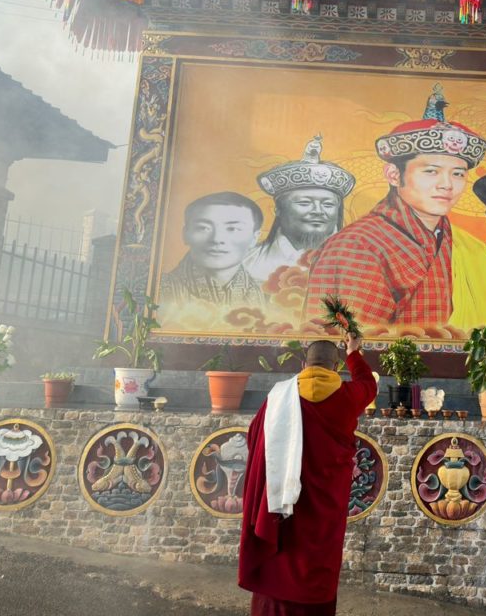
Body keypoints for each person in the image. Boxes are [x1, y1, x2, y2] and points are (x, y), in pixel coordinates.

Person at [304, 85, 486, 329]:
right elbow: (347, 340)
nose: (447, 185)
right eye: (431, 171)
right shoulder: (356, 245)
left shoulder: (462, 245)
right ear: (393, 174)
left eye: (458, 174)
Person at [239, 332, 377, 616]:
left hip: (281, 506)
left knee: (279, 561)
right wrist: (353, 352)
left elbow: (255, 438)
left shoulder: (278, 398)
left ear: (304, 365)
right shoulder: (348, 397)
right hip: (324, 509)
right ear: (335, 367)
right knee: (318, 564)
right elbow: (368, 384)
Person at [246, 135, 355, 280]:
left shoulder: (359, 262)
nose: (318, 211)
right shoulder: (246, 262)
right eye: (304, 203)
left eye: (328, 204)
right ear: (278, 209)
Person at [159, 191, 268, 306]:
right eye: (203, 228)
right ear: (185, 234)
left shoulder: (271, 295)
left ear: (254, 238)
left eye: (232, 229)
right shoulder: (156, 289)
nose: (217, 239)